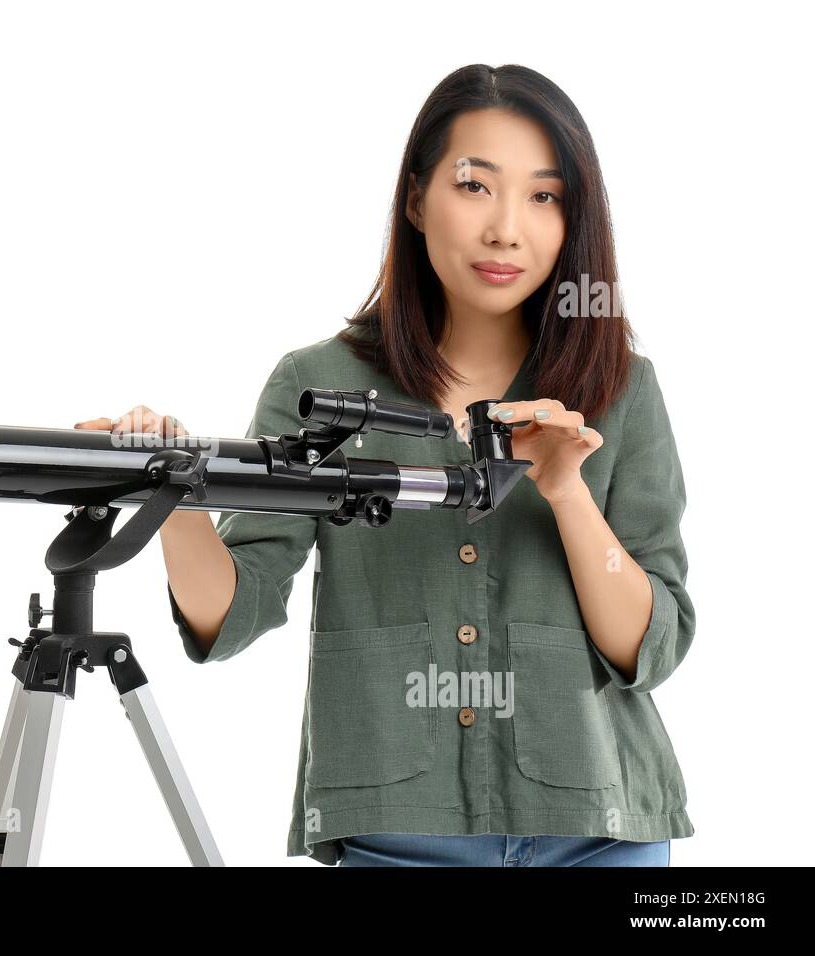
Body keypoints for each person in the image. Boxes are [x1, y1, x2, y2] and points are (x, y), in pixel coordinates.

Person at [75, 64, 693, 867]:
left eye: (544, 196)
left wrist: (566, 491)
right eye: (475, 187)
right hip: (398, 834)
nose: (508, 228)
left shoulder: (623, 390)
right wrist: (178, 492)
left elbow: (651, 647)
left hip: (602, 831)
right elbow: (233, 614)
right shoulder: (314, 387)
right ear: (415, 199)